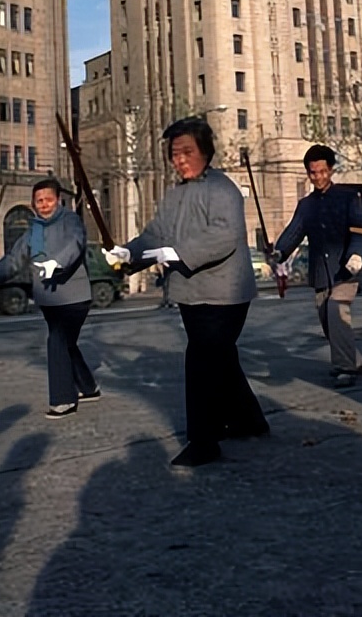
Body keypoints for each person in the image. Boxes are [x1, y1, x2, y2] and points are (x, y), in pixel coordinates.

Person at [104, 117, 268, 467]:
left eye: (187, 151)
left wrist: (178, 254)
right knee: (221, 359)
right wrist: (128, 254)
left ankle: (203, 440)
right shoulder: (174, 196)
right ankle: (249, 420)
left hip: (226, 292)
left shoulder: (224, 189)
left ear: (205, 151)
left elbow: (224, 236)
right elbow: (154, 236)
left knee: (202, 360)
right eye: (174, 153)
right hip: (190, 293)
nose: (180, 159)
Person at [0, 178, 102, 419]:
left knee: (57, 341)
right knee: (66, 344)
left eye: (48, 199)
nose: (44, 205)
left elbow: (76, 244)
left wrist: (57, 263)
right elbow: (14, 260)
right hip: (48, 299)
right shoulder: (35, 231)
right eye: (39, 201)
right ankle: (88, 387)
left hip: (73, 296)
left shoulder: (70, 221)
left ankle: (63, 400)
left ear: (58, 200)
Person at [272, 144, 362, 388]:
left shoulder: (349, 198)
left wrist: (357, 254)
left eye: (322, 171)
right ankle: (352, 360)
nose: (318, 177)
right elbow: (294, 231)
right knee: (328, 320)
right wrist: (280, 251)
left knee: (337, 311)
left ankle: (345, 367)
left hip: (346, 269)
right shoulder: (306, 205)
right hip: (320, 272)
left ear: (331, 170)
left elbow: (361, 229)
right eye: (313, 173)